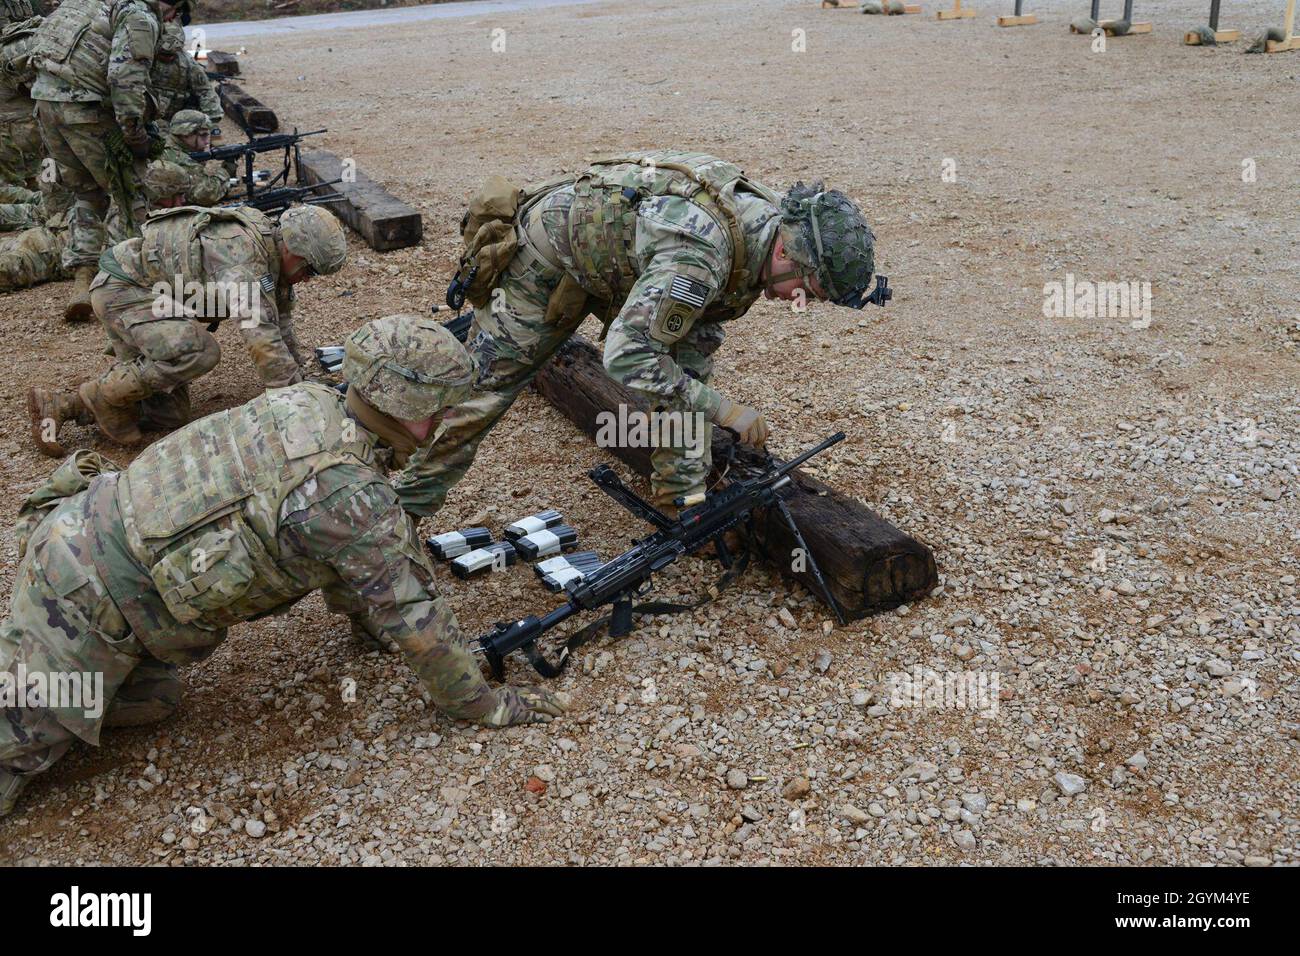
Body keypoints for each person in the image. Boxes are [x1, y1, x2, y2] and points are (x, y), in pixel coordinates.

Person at [0, 314, 568, 819]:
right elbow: (414, 614)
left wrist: (365, 618)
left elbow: (344, 561)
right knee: (15, 748)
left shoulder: (312, 402)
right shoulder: (350, 495)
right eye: (441, 409)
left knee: (156, 699)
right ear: (411, 408)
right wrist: (482, 703)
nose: (445, 422)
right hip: (83, 597)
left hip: (82, 530)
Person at [394, 150, 879, 519]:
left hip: (623, 265)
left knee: (683, 381)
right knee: (480, 398)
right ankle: (390, 523)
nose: (801, 302)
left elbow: (683, 369)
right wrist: (724, 409)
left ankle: (680, 502)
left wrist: (688, 487)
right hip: (548, 257)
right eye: (808, 290)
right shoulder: (700, 256)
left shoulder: (764, 229)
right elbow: (627, 358)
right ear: (786, 252)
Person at [28, 203, 344, 453]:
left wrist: (304, 382)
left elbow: (281, 325)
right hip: (124, 292)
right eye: (310, 270)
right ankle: (99, 396)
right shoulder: (243, 257)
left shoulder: (273, 258)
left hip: (154, 300)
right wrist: (297, 404)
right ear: (292, 248)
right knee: (200, 352)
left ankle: (67, 406)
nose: (308, 279)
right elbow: (261, 337)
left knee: (170, 416)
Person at [27, 0, 185, 320]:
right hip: (85, 108)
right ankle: (124, 289)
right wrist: (135, 135)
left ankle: (83, 282)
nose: (170, 18)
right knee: (127, 192)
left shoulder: (86, 3)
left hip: (45, 102)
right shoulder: (139, 14)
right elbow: (124, 77)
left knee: (86, 193)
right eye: (172, 12)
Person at [150, 21, 222, 127]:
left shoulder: (187, 63)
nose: (168, 57)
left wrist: (211, 121)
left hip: (177, 119)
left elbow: (205, 91)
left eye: (172, 54)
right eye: (164, 54)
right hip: (149, 117)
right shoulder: (144, 59)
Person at [0, 14, 42, 189]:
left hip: (27, 128)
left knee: (39, 183)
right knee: (15, 189)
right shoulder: (15, 52)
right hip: (15, 130)